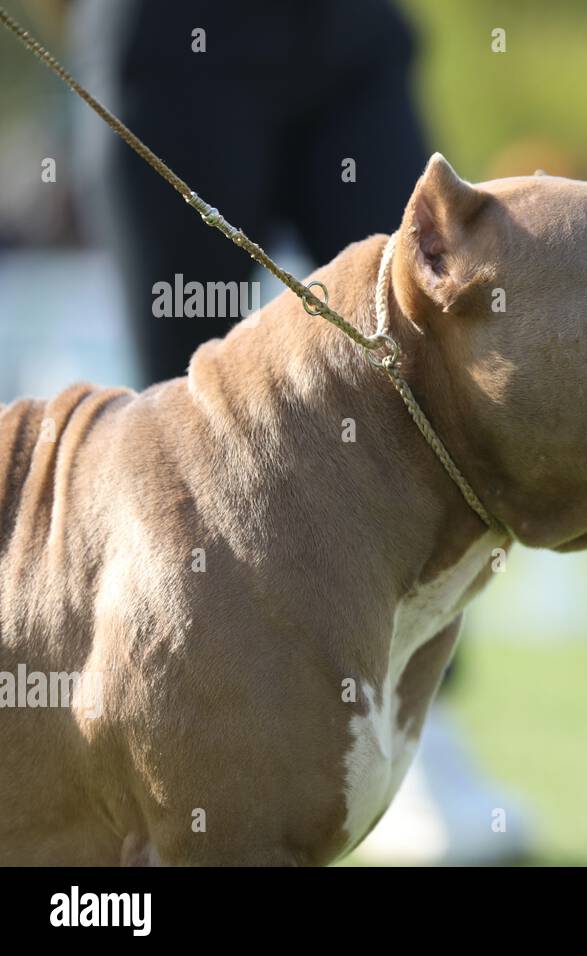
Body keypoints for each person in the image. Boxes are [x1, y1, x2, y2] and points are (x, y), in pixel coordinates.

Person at [71, 0, 529, 864]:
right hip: (169, 45)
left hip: (344, 38)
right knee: (176, 439)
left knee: (430, 350)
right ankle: (182, 753)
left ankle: (416, 738)